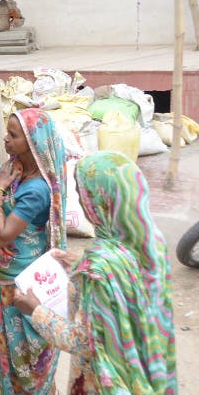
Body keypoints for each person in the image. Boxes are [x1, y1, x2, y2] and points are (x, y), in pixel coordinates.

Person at [14, 151, 178, 394]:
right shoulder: (152, 242)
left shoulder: (99, 267)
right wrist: (79, 262)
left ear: (100, 200)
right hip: (149, 365)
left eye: (82, 193)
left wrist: (36, 310)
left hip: (106, 381)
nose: (80, 200)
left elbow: (83, 341)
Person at [0, 107, 67, 394]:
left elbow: (3, 235)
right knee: (4, 348)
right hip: (1, 277)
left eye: (13, 136)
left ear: (33, 144)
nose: (5, 140)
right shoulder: (18, 169)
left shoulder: (36, 190)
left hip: (16, 282)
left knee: (20, 352)